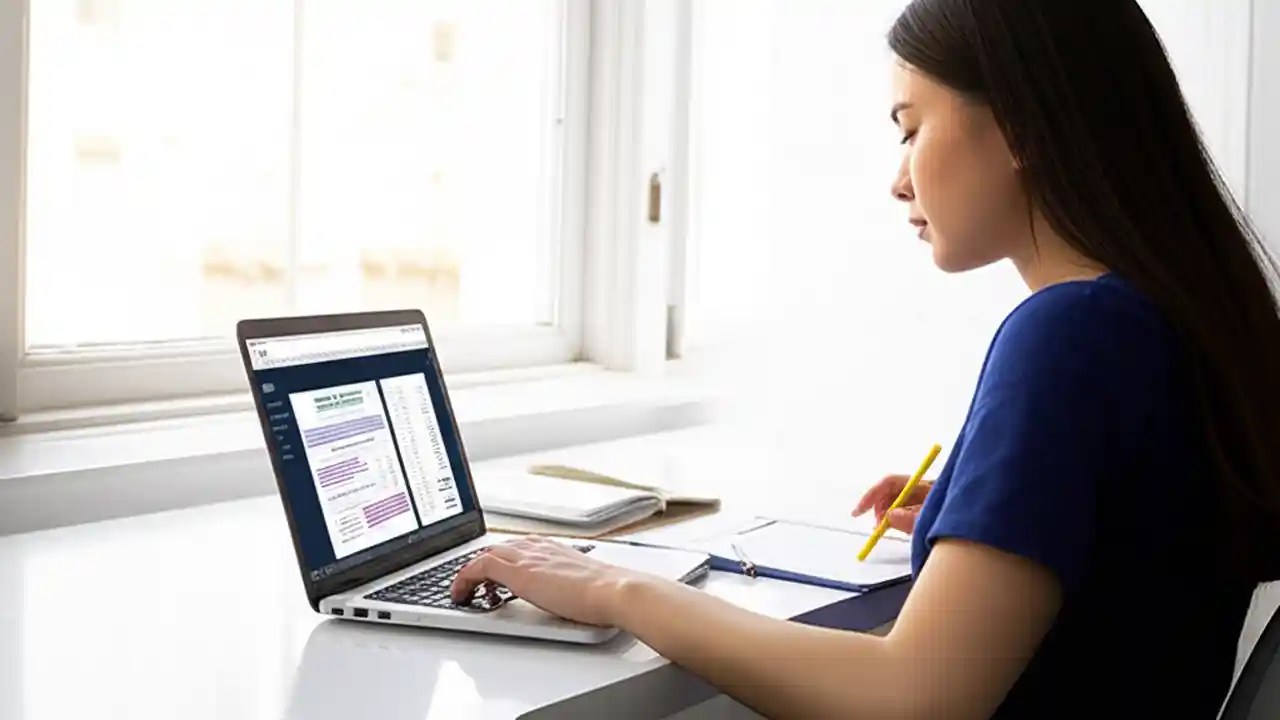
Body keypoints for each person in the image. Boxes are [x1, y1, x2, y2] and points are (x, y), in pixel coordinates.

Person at [453, 0, 1280, 716]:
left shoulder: (1071, 332)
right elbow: (1142, 546)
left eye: (911, 129)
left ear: (1022, 126)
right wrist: (987, 510)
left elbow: (913, 696)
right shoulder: (1172, 318)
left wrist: (613, 588)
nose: (898, 180)